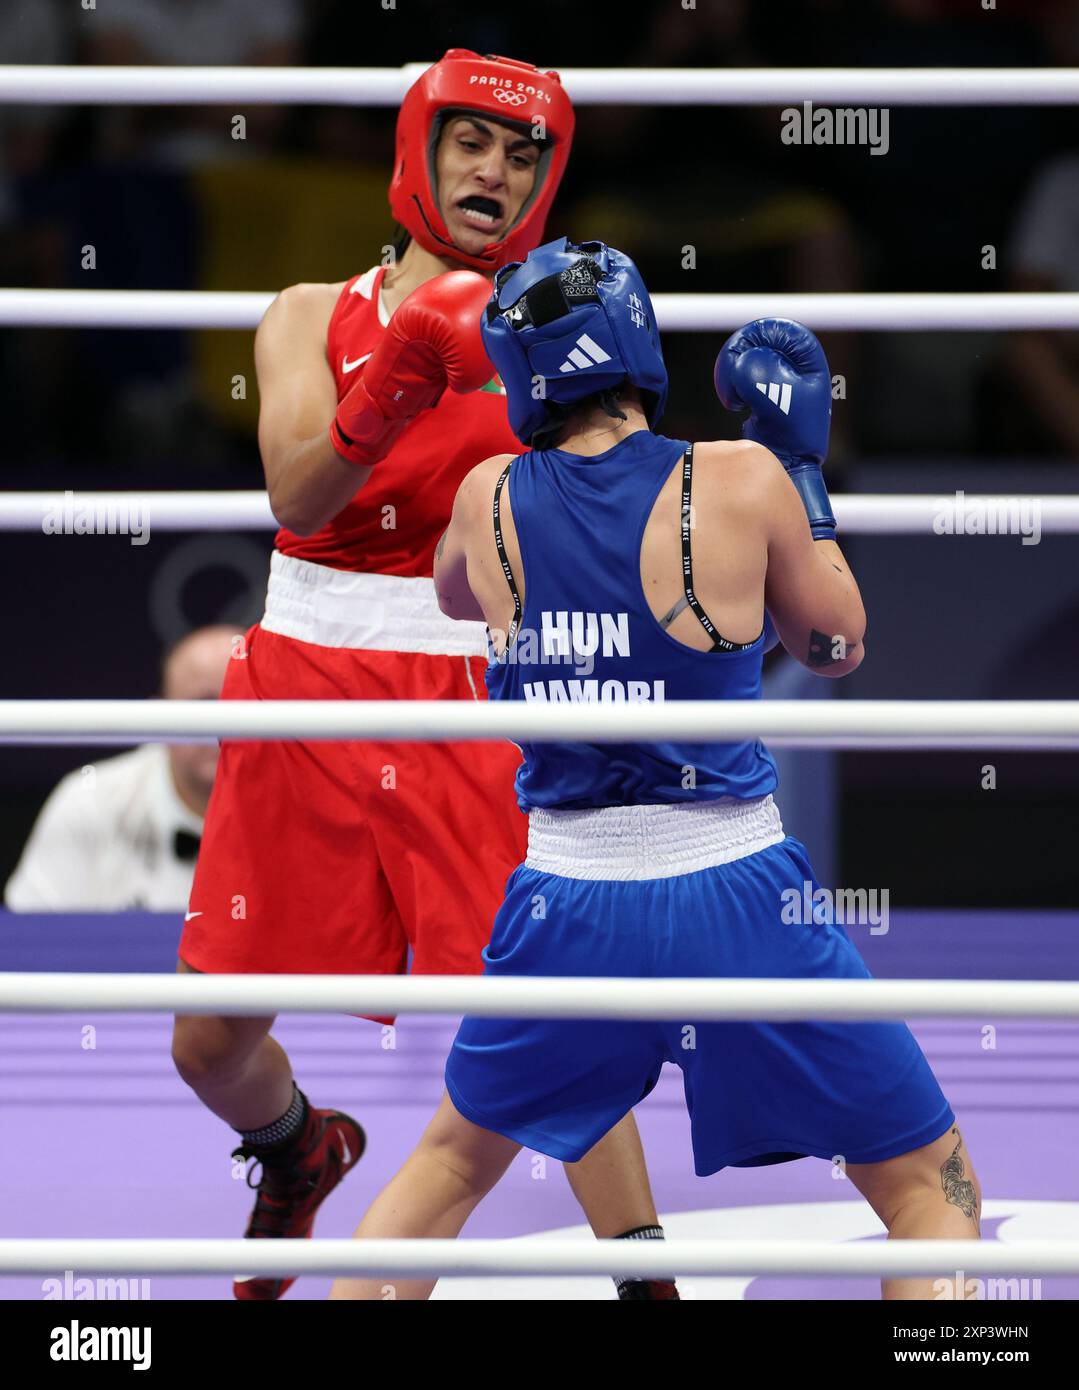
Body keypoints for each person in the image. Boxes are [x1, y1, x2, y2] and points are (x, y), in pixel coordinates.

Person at [330, 238, 981, 1302]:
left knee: (446, 1170)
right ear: (637, 341)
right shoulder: (737, 477)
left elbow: (454, 597)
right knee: (925, 1187)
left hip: (564, 906)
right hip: (734, 900)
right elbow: (832, 646)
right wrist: (801, 477)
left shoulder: (487, 496)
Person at [172, 52, 675, 1303]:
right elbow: (297, 494)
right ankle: (298, 1149)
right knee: (209, 1040)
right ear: (418, 152)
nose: (492, 175)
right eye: (469, 146)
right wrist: (399, 371)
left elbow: (616, 505)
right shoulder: (303, 314)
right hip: (301, 682)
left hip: (479, 686)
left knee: (535, 1011)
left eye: (521, 156)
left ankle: (646, 1282)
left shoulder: (563, 339)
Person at [4, 625, 235, 912]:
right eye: (205, 703)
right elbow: (28, 942)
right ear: (160, 716)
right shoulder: (88, 801)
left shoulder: (304, 806)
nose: (226, 724)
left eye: (242, 703)